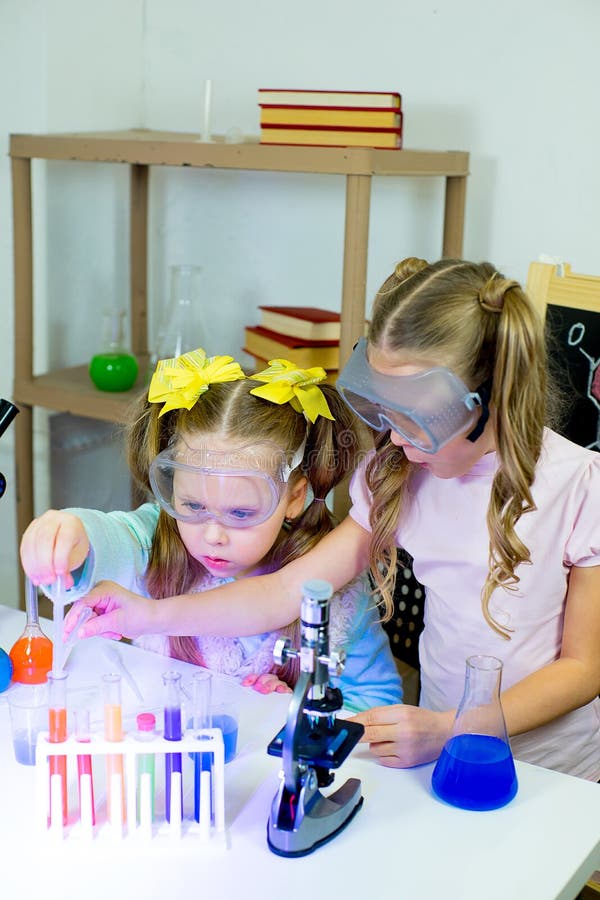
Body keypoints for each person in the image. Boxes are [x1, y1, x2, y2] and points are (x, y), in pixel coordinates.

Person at [31, 258, 600, 780]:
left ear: (489, 399)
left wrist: (455, 726)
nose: (396, 439)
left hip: (551, 765)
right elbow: (285, 593)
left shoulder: (579, 487)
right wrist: (150, 615)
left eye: (420, 421)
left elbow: (584, 668)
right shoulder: (398, 471)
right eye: (385, 412)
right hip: (440, 745)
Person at [20, 348, 402, 712]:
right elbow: (109, 541)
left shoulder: (333, 586)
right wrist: (69, 533)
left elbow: (378, 702)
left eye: (240, 512)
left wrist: (295, 710)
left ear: (294, 497)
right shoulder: (158, 541)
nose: (213, 535)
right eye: (192, 506)